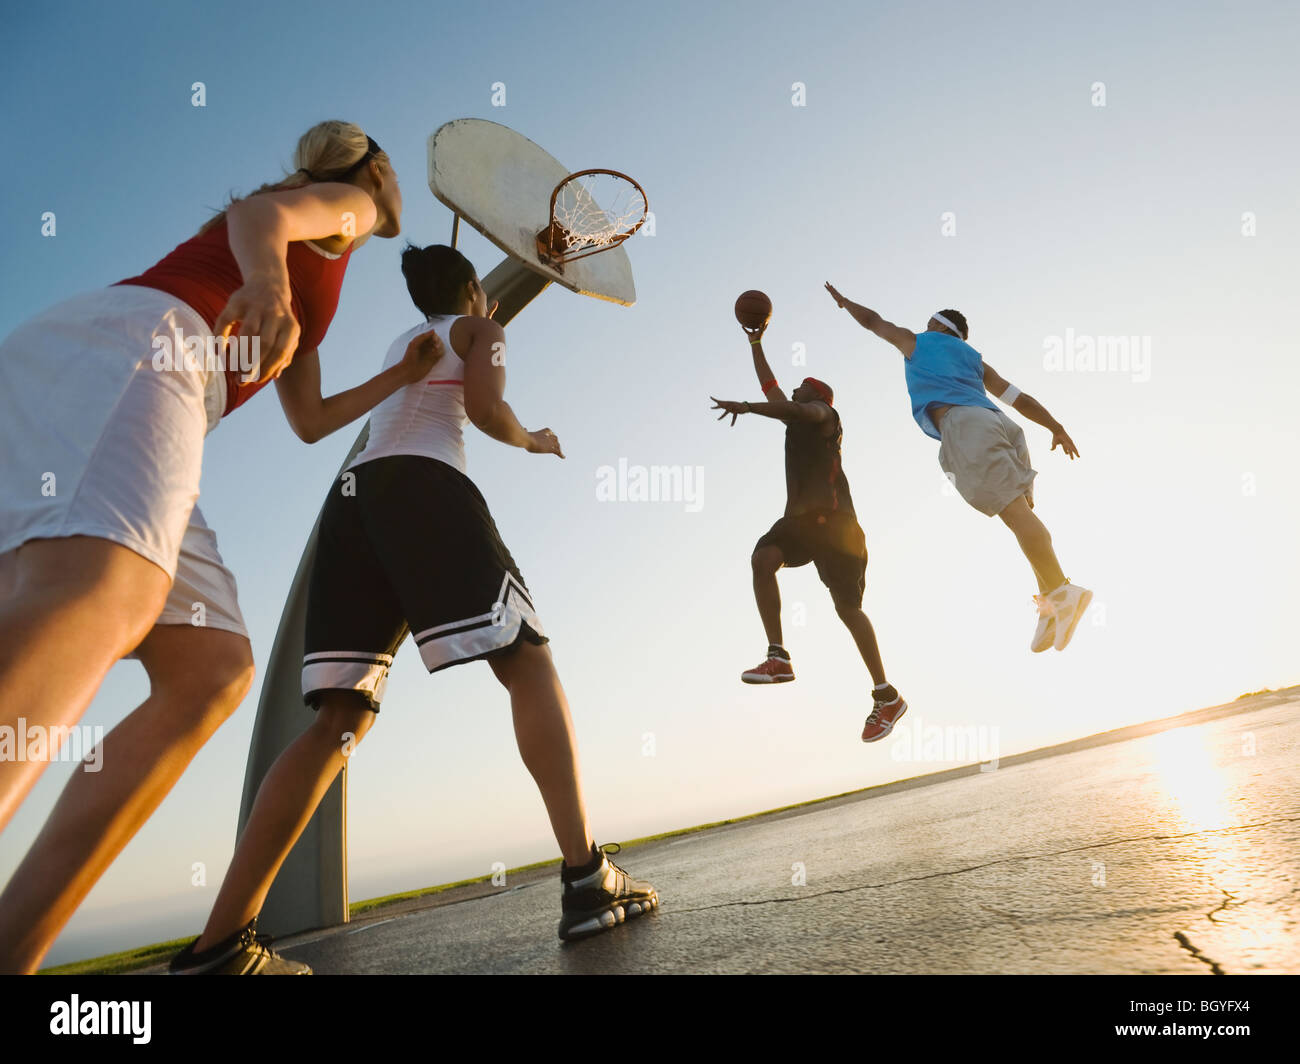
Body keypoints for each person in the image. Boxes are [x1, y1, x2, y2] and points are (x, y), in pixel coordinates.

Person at [0, 120, 443, 974]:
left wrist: (400, 376)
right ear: (378, 172)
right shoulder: (342, 211)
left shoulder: (321, 274)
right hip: (141, 353)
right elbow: (258, 216)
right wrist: (269, 282)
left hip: (126, 382)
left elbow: (309, 422)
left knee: (212, 669)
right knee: (96, 598)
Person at [168, 244, 658, 974]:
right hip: (425, 489)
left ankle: (222, 944)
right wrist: (532, 438)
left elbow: (349, 417)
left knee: (338, 719)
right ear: (471, 290)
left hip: (352, 507)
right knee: (527, 660)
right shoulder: (480, 330)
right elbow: (487, 410)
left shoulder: (408, 343)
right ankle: (588, 876)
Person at [823, 284, 1091, 652]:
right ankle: (1050, 602)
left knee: (1014, 515)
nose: (924, 324)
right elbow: (1018, 398)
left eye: (929, 320)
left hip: (965, 426)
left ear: (938, 325)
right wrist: (1055, 426)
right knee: (1019, 517)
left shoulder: (919, 342)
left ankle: (1062, 590)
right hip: (1001, 425)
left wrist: (845, 303)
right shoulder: (975, 361)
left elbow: (873, 321)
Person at [711, 315, 907, 744]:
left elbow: (791, 406)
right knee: (762, 559)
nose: (794, 389)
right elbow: (772, 389)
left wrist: (747, 408)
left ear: (816, 396)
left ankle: (886, 694)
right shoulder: (795, 414)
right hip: (801, 524)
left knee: (847, 611)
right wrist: (755, 342)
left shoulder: (824, 414)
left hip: (838, 528)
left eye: (801, 386)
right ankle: (778, 656)